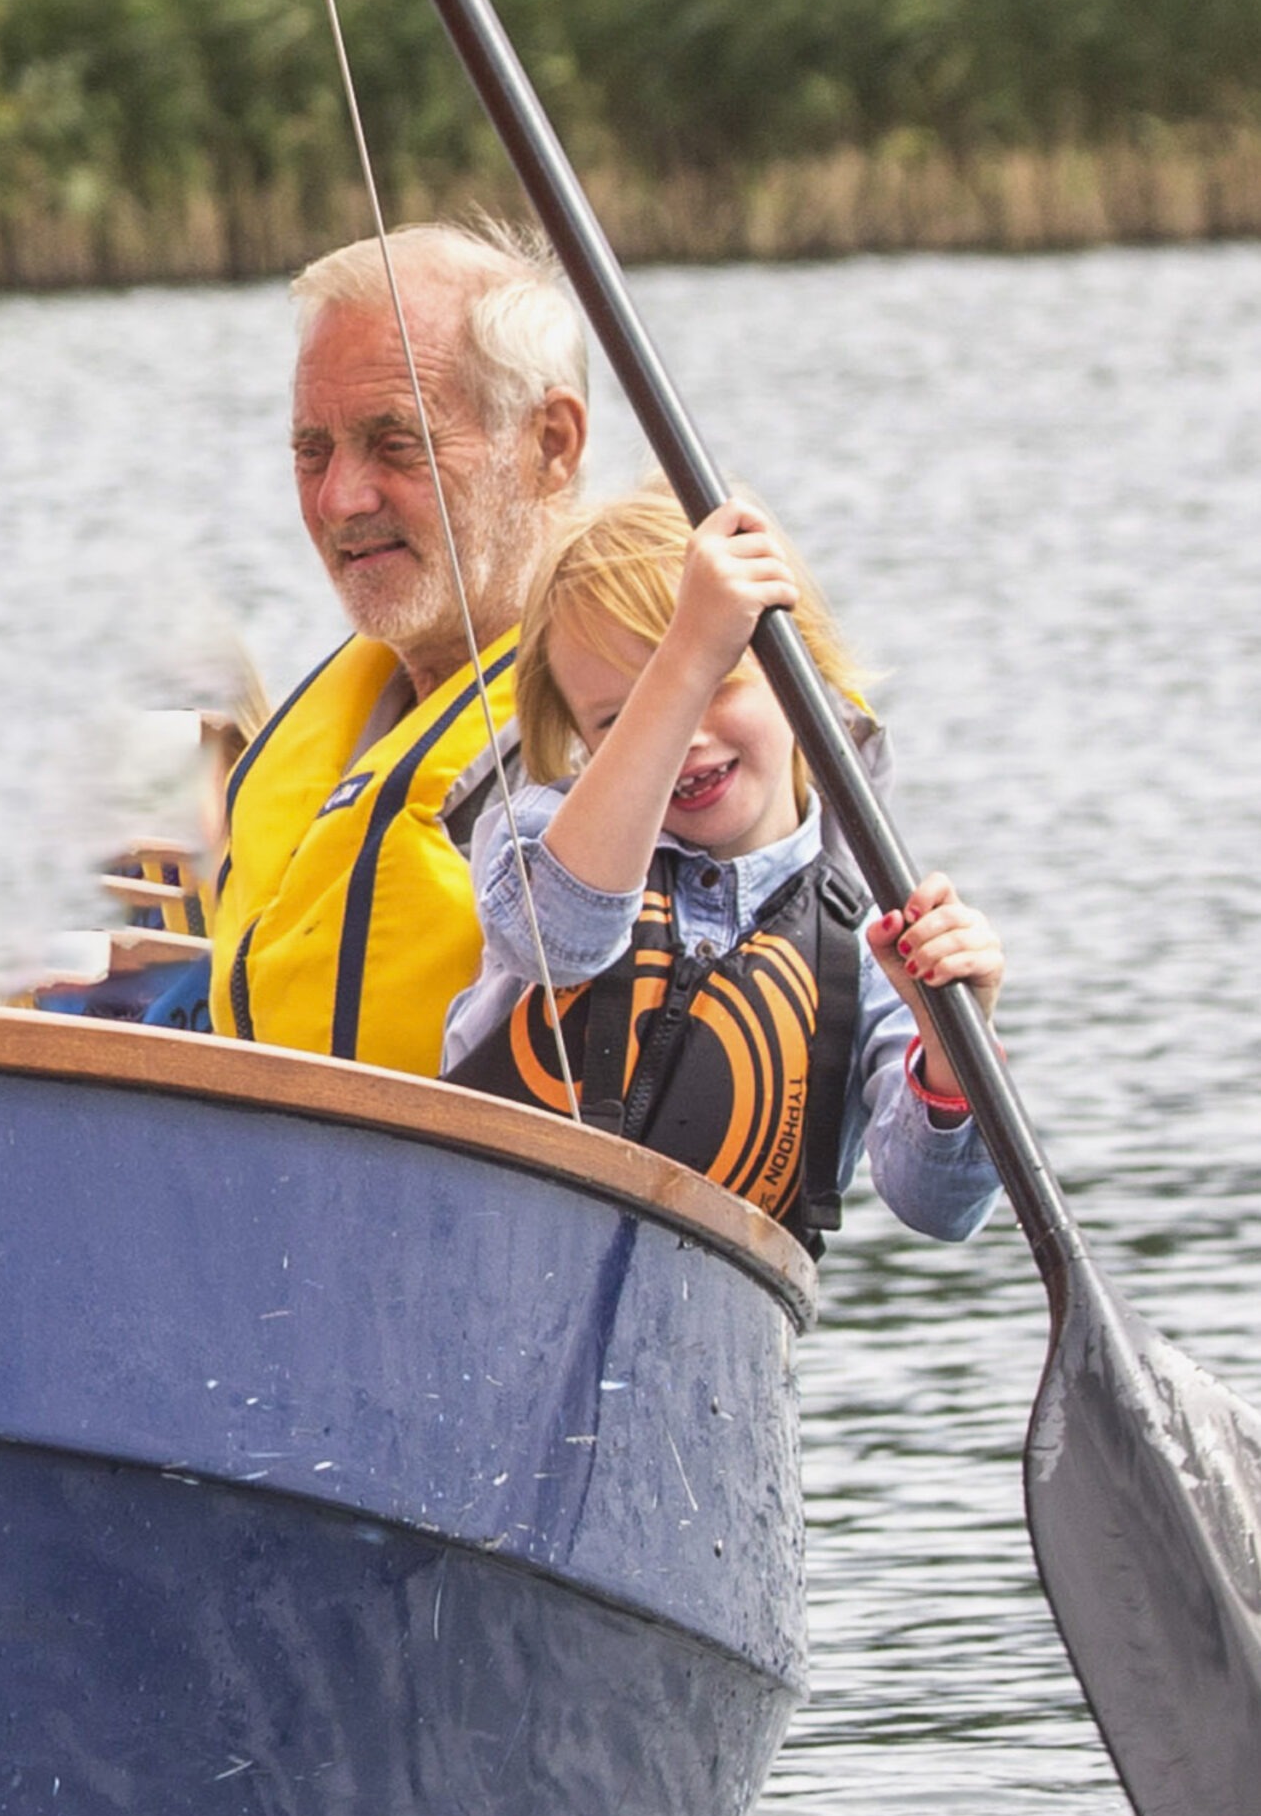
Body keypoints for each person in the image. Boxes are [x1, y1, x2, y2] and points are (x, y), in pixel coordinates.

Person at [442, 488, 1002, 1247]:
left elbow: (938, 1207)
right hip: (476, 1267)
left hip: (697, 1330)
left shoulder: (865, 936)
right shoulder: (542, 832)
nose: (686, 738)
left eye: (718, 681)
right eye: (620, 717)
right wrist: (691, 654)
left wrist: (948, 1055)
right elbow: (564, 934)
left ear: (798, 674)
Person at [205, 221, 591, 1073]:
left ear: (549, 445)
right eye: (311, 452)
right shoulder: (332, 731)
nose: (341, 498)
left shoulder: (669, 730)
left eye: (396, 443)